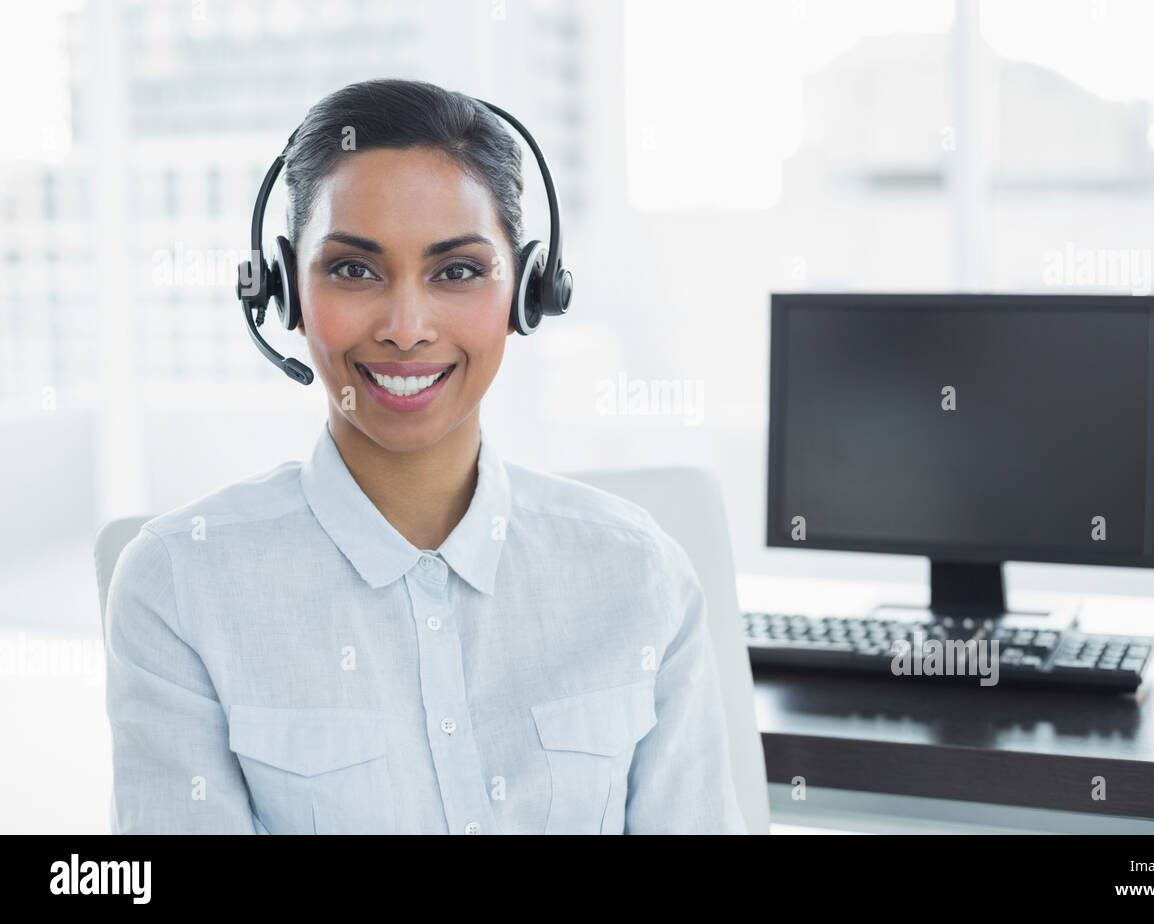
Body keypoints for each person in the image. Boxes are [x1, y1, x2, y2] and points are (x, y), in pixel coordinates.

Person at [104, 79, 746, 834]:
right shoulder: (180, 586)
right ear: (281, 291)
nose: (406, 328)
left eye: (457, 272)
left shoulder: (640, 574)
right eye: (353, 269)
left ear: (531, 291)